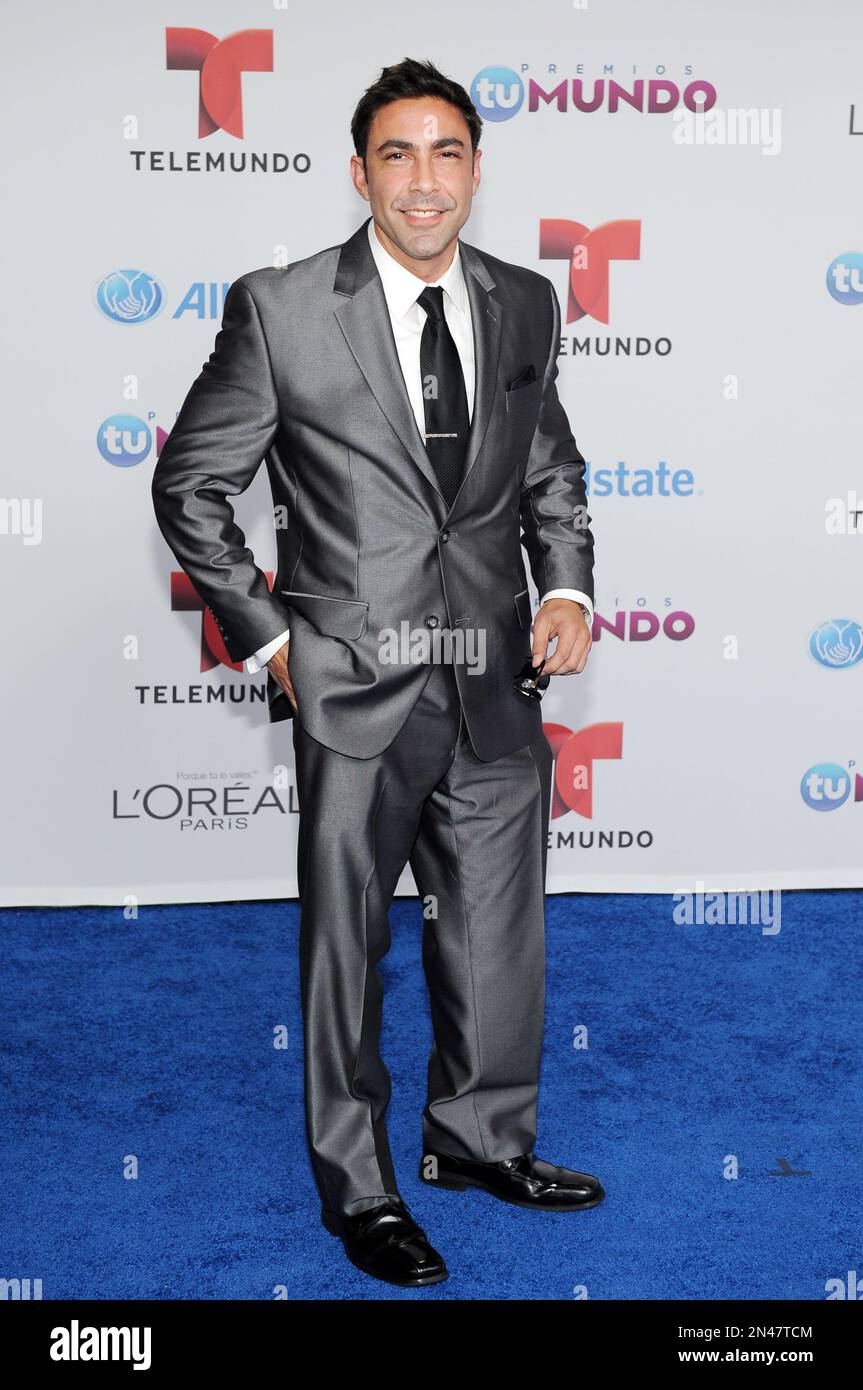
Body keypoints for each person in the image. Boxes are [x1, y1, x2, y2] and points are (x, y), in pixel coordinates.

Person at [151, 56, 602, 1289]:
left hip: (493, 674)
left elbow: (547, 467)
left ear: (475, 170)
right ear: (359, 173)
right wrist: (270, 636)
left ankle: (477, 1143)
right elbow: (190, 488)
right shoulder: (282, 308)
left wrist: (561, 586)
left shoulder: (522, 302)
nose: (422, 180)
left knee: (498, 935)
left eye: (445, 153)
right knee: (345, 949)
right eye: (395, 155)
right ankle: (359, 1191)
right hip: (352, 682)